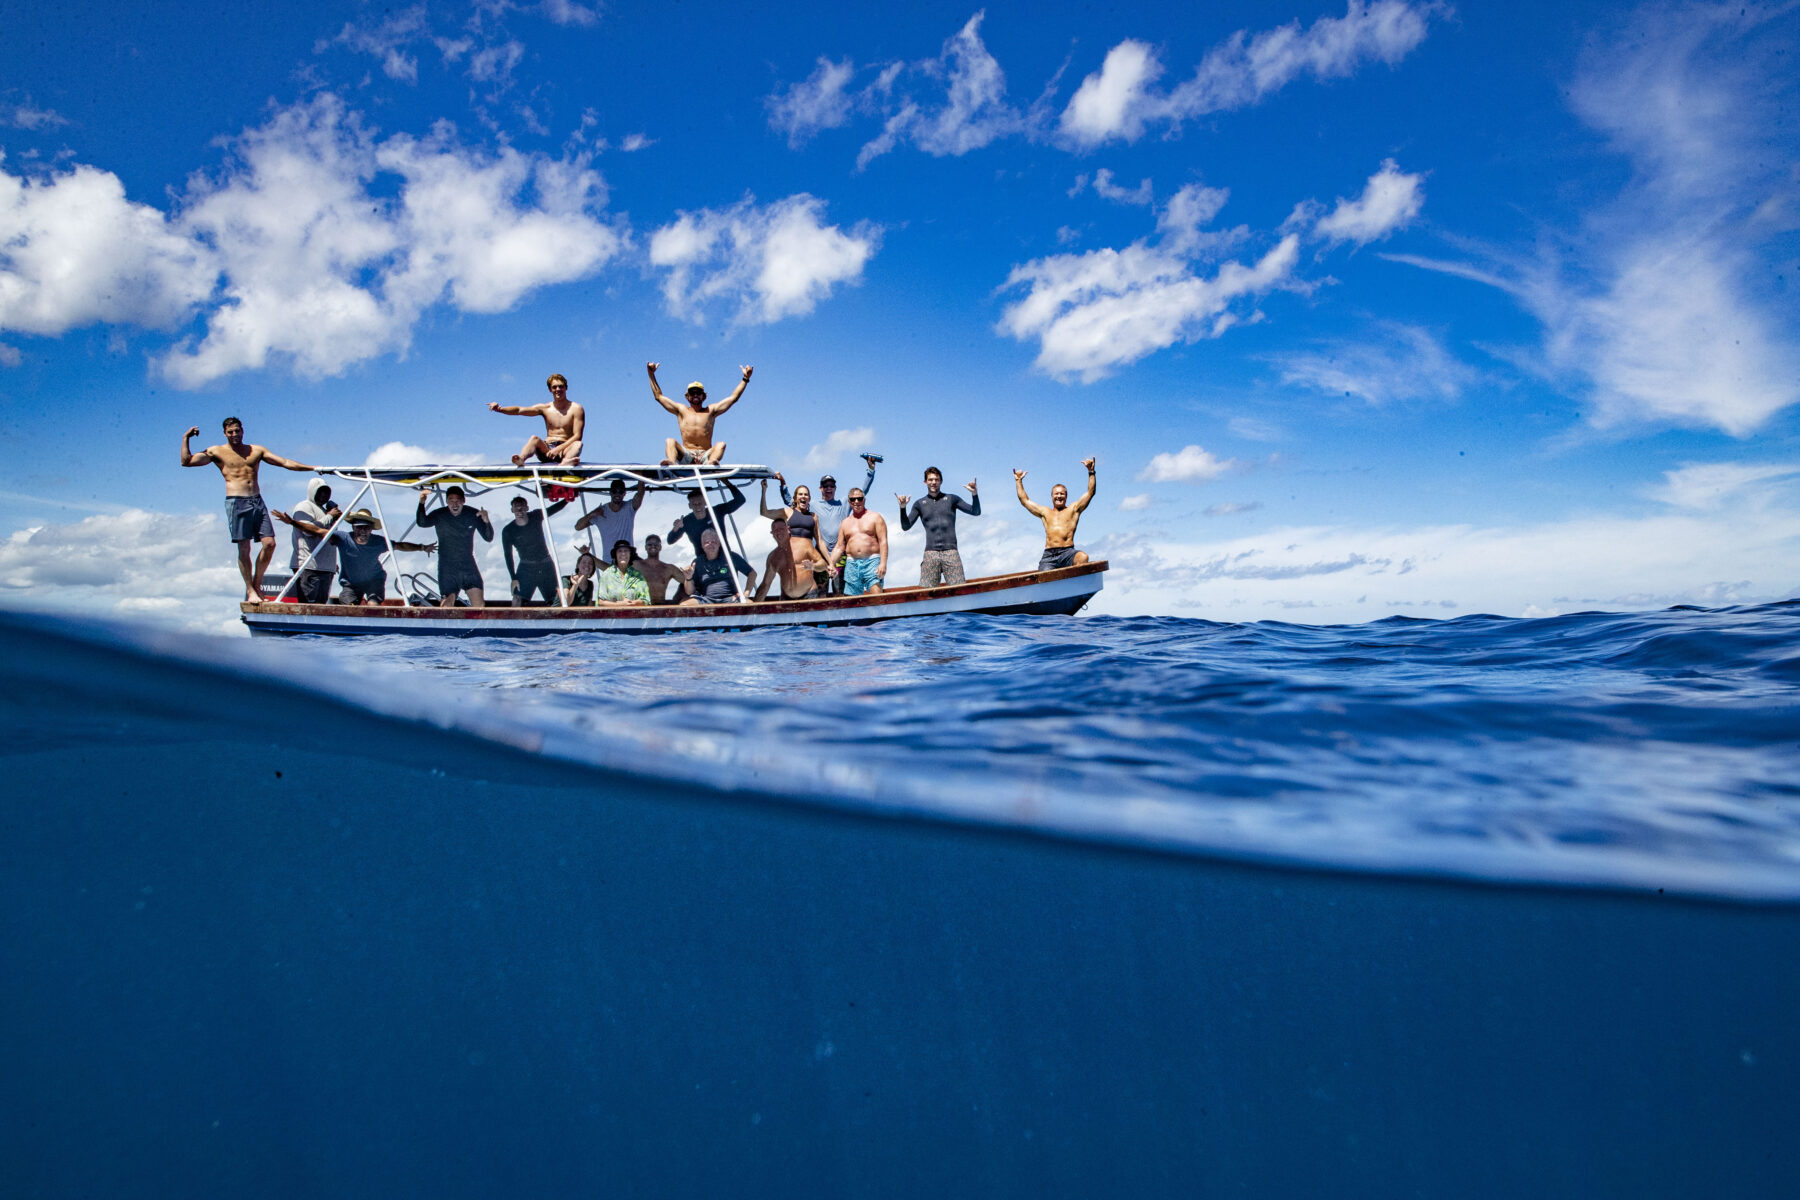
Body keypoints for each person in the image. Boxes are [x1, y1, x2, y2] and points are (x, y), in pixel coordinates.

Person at [180, 417, 319, 602]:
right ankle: (250, 590)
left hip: (257, 500)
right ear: (225, 433)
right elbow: (186, 461)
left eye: (237, 431)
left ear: (242, 431)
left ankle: (257, 584)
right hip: (236, 502)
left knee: (269, 544)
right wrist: (186, 438)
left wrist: (314, 468)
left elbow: (285, 462)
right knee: (244, 548)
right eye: (230, 432)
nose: (234, 435)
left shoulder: (256, 450)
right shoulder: (216, 451)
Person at [271, 508, 434, 605]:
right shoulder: (343, 538)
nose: (363, 531)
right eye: (359, 528)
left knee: (372, 607)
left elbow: (399, 545)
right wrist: (292, 522)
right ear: (353, 528)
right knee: (348, 608)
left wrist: (421, 547)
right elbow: (317, 531)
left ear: (372, 529)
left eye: (366, 528)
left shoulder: (378, 541)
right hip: (351, 584)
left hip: (374, 581)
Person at [778, 455, 878, 593]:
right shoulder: (812, 505)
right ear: (820, 488)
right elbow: (791, 502)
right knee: (821, 593)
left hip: (840, 556)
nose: (828, 488)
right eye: (825, 486)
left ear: (835, 488)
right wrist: (783, 484)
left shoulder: (843, 503)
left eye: (831, 486)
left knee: (840, 592)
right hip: (821, 557)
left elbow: (862, 491)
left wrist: (871, 471)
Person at [647, 361, 752, 465]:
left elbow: (733, 398)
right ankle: (671, 462)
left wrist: (745, 379)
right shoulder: (681, 410)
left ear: (704, 396)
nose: (695, 395)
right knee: (670, 441)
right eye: (692, 393)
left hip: (705, 455)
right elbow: (659, 396)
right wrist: (651, 374)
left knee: (721, 444)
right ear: (687, 396)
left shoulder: (711, 411)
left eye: (698, 393)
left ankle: (711, 464)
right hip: (687, 454)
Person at [898, 467, 981, 587]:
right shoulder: (919, 504)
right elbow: (906, 526)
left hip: (951, 552)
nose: (933, 482)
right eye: (930, 479)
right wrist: (902, 508)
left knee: (959, 591)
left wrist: (974, 494)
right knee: (926, 594)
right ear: (925, 482)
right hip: (930, 553)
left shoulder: (952, 499)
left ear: (941, 481)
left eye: (936, 479)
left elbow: (975, 511)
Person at [668, 484, 757, 594]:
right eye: (694, 504)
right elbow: (670, 540)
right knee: (685, 591)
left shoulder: (716, 511)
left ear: (705, 502)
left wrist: (726, 481)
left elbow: (740, 500)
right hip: (703, 564)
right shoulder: (686, 521)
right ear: (689, 506)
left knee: (727, 591)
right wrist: (676, 529)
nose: (698, 506)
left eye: (700, 503)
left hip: (726, 561)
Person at [416, 486, 494, 606]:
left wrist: (486, 520)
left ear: (463, 500)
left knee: (479, 605)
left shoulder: (473, 514)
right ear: (447, 501)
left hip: (468, 565)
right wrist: (422, 502)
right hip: (447, 566)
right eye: (451, 501)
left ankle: (475, 625)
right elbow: (422, 523)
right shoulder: (439, 514)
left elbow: (488, 538)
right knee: (447, 603)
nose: (455, 504)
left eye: (457, 500)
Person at [1015, 457, 1097, 569]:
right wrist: (1018, 481)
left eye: (1062, 494)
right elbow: (1024, 501)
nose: (1059, 496)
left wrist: (1091, 472)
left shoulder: (1073, 509)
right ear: (1052, 496)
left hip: (1068, 553)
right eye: (1056, 494)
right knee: (1044, 578)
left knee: (1083, 557)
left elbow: (1090, 492)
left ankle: (1074, 585)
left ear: (1066, 496)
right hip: (1049, 555)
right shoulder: (1044, 512)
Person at [490, 373, 585, 466]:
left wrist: (558, 449)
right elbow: (519, 410)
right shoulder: (545, 408)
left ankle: (566, 462)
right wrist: (500, 409)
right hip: (547, 450)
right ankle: (521, 459)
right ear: (550, 390)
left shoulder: (576, 408)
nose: (558, 389)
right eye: (554, 387)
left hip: (565, 449)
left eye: (561, 386)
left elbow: (577, 436)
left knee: (578, 444)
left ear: (566, 388)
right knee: (534, 438)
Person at [502, 493, 572, 605]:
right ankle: (513, 622)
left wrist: (567, 499)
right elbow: (507, 555)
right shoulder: (508, 530)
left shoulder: (536, 516)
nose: (520, 511)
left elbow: (552, 509)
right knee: (517, 599)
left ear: (527, 508)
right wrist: (513, 577)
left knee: (556, 599)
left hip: (546, 565)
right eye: (516, 508)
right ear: (512, 510)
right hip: (526, 567)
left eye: (522, 507)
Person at [759, 479, 827, 585]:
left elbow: (820, 541)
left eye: (806, 494)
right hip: (792, 560)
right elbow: (764, 512)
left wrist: (830, 563)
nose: (803, 496)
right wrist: (764, 491)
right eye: (800, 494)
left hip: (810, 559)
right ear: (795, 498)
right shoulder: (787, 512)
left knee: (818, 592)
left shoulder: (813, 517)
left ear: (809, 498)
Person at [286, 478, 342, 603]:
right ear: (312, 491)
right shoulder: (304, 506)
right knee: (309, 607)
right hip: (308, 567)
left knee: (320, 607)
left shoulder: (325, 510)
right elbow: (308, 530)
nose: (324, 495)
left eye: (326, 492)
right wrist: (329, 516)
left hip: (326, 568)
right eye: (320, 491)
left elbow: (330, 537)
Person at [754, 518, 832, 601]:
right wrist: (753, 608)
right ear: (772, 533)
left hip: (809, 594)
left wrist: (813, 566)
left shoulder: (804, 544)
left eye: (781, 529)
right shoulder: (773, 557)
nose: (778, 532)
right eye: (775, 530)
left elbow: (823, 564)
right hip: (786, 598)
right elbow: (765, 584)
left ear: (788, 529)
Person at [829, 487, 888, 596]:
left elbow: (883, 541)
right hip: (852, 564)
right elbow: (839, 547)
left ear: (864, 500)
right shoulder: (845, 523)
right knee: (852, 601)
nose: (856, 502)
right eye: (853, 499)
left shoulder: (875, 517)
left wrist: (883, 563)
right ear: (849, 502)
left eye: (859, 498)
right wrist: (831, 564)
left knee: (877, 595)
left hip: (872, 562)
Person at [573, 478, 646, 556]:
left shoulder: (630, 507)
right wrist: (592, 514)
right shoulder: (600, 511)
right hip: (608, 563)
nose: (617, 494)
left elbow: (640, 493)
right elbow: (578, 527)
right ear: (610, 492)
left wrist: (640, 476)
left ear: (624, 493)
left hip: (628, 560)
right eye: (614, 491)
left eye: (620, 492)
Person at [681, 529, 742, 604]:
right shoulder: (697, 562)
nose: (710, 544)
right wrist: (688, 578)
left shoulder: (731, 557)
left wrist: (745, 593)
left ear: (719, 543)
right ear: (702, 545)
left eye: (713, 542)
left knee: (749, 603)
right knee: (684, 605)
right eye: (707, 542)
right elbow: (689, 592)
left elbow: (752, 573)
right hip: (706, 600)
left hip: (731, 599)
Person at [594, 540, 652, 605]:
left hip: (633, 614)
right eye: (620, 551)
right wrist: (619, 605)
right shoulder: (607, 575)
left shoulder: (638, 576)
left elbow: (646, 600)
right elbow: (600, 602)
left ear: (630, 555)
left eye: (626, 551)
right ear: (615, 555)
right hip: (612, 614)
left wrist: (632, 603)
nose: (623, 553)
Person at [637, 534, 687, 605]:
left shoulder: (669, 568)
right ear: (645, 547)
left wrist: (676, 600)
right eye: (649, 544)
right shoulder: (636, 566)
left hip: (660, 607)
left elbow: (688, 581)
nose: (653, 546)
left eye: (656, 544)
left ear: (660, 547)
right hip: (641, 606)